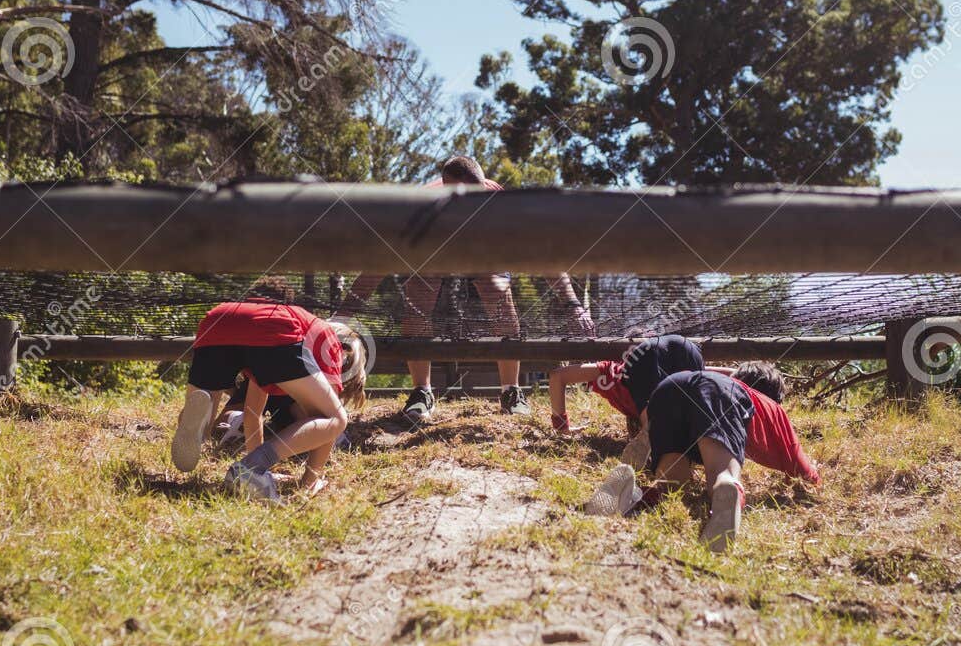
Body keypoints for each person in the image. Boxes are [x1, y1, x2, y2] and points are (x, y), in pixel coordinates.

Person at [342, 156, 591, 420]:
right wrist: (342, 316)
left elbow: (542, 257)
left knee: (497, 292)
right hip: (436, 251)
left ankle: (511, 391)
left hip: (483, 250)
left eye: (479, 196)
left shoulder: (501, 206)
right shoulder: (423, 209)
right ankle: (422, 392)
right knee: (419, 293)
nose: (475, 204)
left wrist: (573, 304)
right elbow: (378, 265)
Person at [586, 361, 820, 553]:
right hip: (718, 394)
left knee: (673, 487)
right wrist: (813, 475)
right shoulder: (768, 405)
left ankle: (631, 496)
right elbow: (804, 471)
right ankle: (727, 488)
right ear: (774, 397)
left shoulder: (721, 378)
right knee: (722, 474)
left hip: (669, 387)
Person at [171, 285, 367, 502]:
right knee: (336, 418)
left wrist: (256, 466)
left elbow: (253, 413)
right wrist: (311, 479)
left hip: (216, 321)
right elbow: (328, 418)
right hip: (272, 328)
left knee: (205, 399)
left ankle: (201, 430)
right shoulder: (326, 338)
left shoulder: (271, 335)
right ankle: (253, 468)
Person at [546, 334, 705, 438]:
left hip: (679, 354)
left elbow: (556, 376)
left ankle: (651, 440)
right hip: (689, 350)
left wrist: (562, 429)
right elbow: (557, 377)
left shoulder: (613, 374)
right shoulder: (612, 377)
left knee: (659, 426)